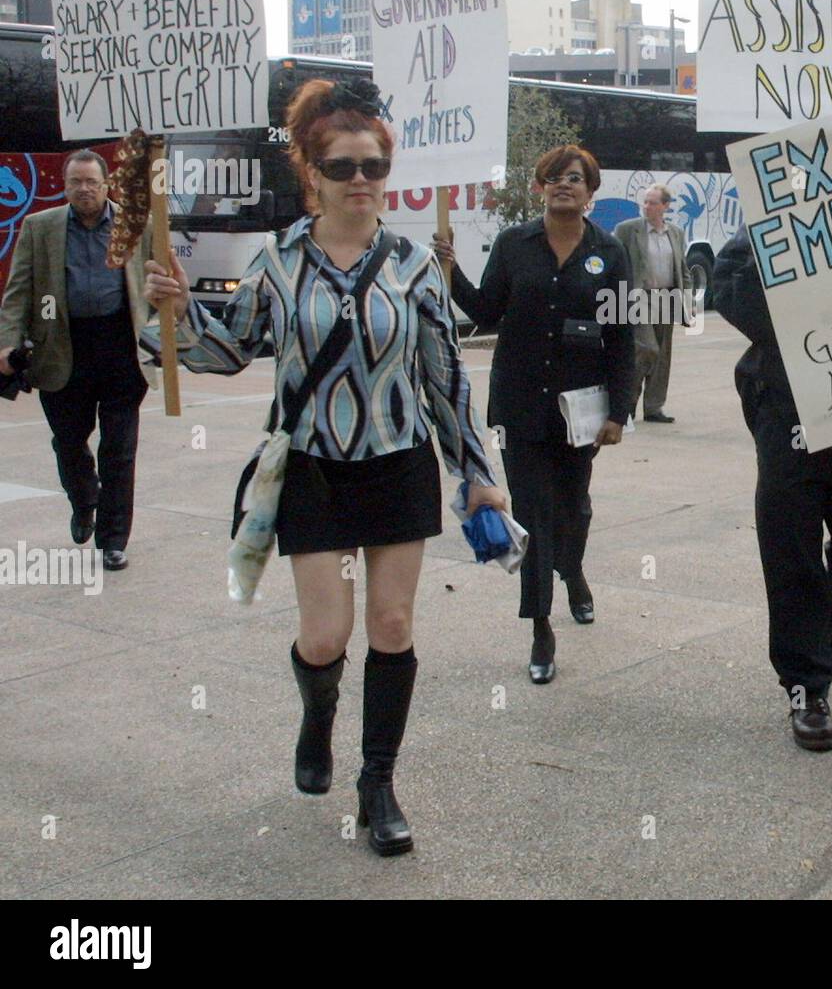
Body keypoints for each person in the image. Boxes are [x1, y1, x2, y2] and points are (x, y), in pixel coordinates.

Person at [141, 79, 506, 857]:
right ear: (311, 172)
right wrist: (170, 313)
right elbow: (228, 350)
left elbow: (445, 376)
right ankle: (318, 712)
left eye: (374, 166)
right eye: (342, 168)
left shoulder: (412, 265)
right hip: (313, 468)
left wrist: (475, 468)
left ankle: (378, 782)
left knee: (393, 624)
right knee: (324, 635)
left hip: (397, 463)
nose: (362, 181)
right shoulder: (277, 260)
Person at [435, 145, 634, 683]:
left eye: (575, 178)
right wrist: (450, 272)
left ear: (591, 192)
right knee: (532, 515)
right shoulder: (513, 243)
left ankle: (574, 573)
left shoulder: (610, 252)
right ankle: (540, 626)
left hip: (581, 408)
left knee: (575, 508)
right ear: (539, 188)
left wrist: (621, 410)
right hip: (521, 402)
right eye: (553, 177)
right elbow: (485, 312)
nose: (563, 185)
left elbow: (622, 337)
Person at [713, 227, 832, 752]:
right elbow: (734, 299)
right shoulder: (761, 225)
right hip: (787, 405)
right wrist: (785, 247)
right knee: (790, 544)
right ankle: (807, 688)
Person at [0, 150, 157, 571]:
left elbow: (158, 283)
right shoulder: (39, 227)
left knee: (120, 450)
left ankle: (113, 540)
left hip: (121, 349)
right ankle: (84, 496)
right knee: (69, 443)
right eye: (75, 182)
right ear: (65, 185)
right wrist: (7, 344)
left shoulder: (138, 225)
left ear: (107, 185)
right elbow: (18, 294)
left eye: (91, 181)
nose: (83, 189)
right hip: (62, 350)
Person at [613, 184, 691, 423]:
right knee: (646, 349)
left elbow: (683, 270)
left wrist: (687, 301)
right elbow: (614, 261)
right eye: (645, 202)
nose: (647, 206)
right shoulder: (628, 230)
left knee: (662, 356)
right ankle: (626, 403)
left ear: (665, 206)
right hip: (639, 297)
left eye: (653, 203)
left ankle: (654, 408)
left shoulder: (675, 233)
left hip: (667, 297)